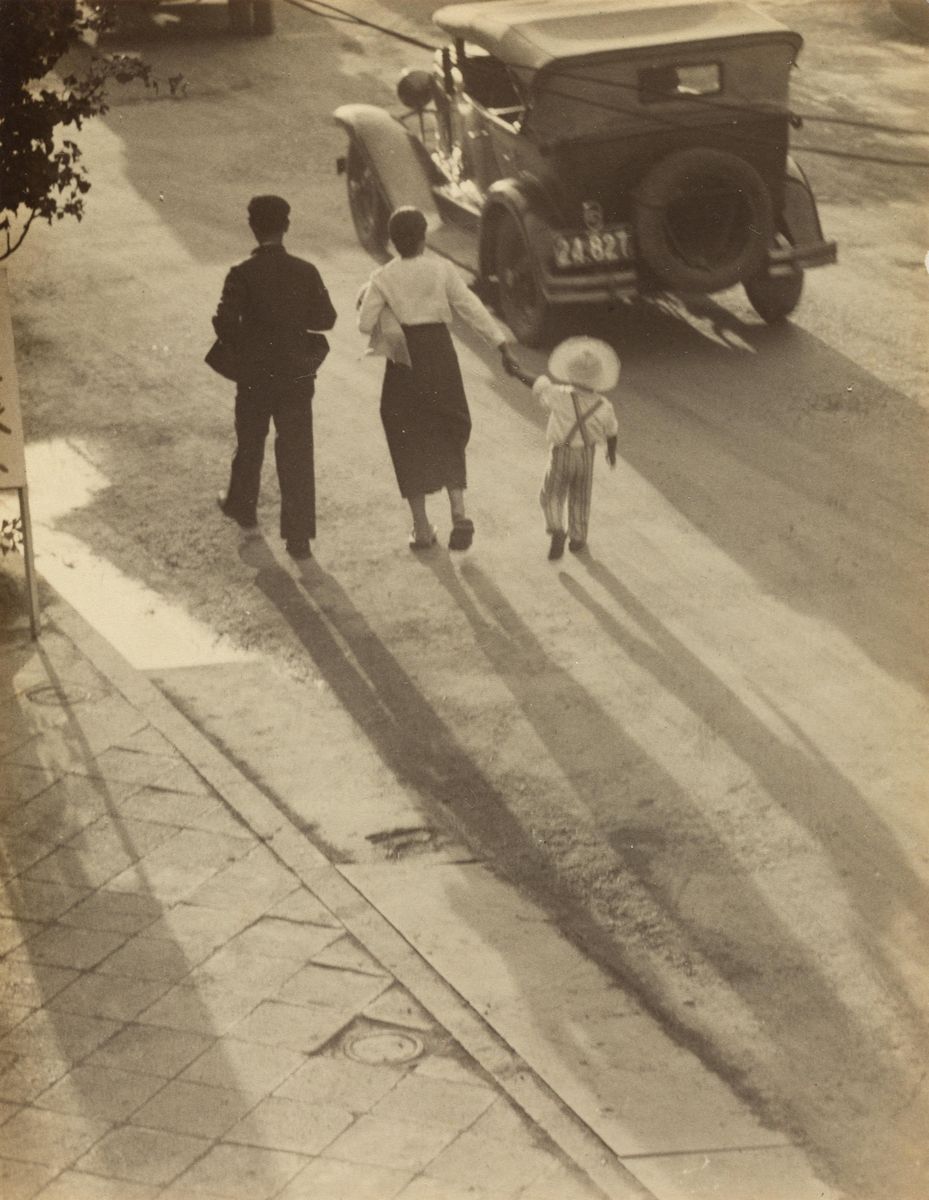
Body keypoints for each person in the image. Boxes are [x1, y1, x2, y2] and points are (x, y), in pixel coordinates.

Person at [357, 206, 517, 551]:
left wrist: (384, 306)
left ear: (394, 240)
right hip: (440, 354)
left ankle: (422, 527)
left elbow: (364, 323)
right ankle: (458, 510)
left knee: (405, 432)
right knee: (448, 422)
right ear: (423, 237)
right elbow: (470, 306)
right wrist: (500, 343)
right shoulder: (441, 269)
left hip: (405, 359)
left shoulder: (382, 277)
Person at [214, 194, 336, 560]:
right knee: (296, 450)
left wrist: (247, 342)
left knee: (250, 442)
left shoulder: (240, 274)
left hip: (254, 373)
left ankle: (244, 509)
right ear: (287, 226)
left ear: (253, 227)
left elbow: (223, 323)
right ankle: (298, 538)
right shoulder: (306, 271)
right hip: (296, 374)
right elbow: (326, 318)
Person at [505, 336, 620, 560]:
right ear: (599, 378)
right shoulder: (604, 406)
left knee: (551, 495)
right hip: (586, 455)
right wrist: (611, 454)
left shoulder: (559, 394)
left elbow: (537, 384)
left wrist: (517, 371)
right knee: (581, 496)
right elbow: (612, 432)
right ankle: (578, 538)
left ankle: (557, 528)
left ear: (570, 372)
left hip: (562, 454)